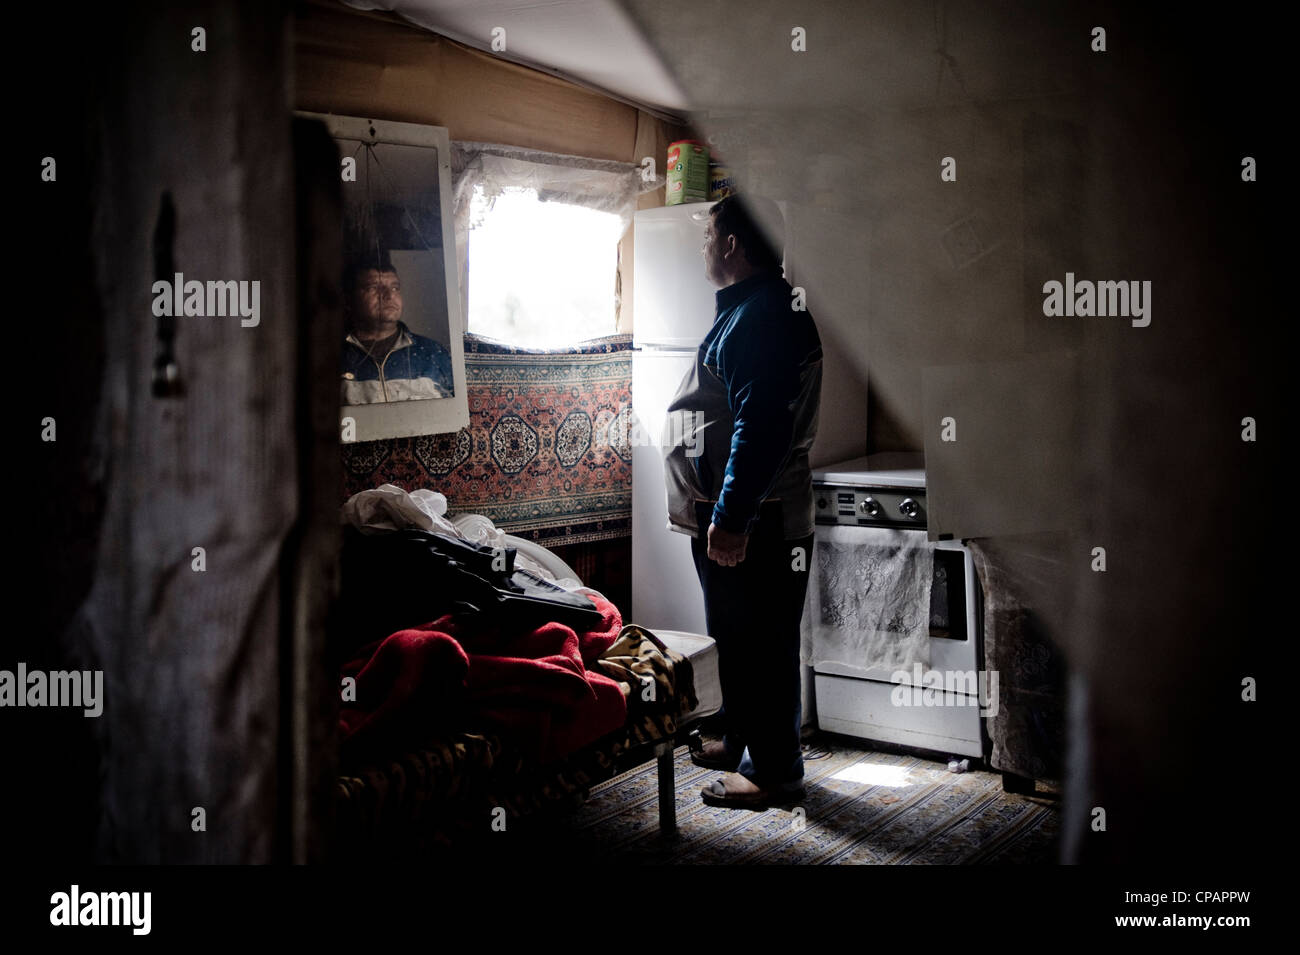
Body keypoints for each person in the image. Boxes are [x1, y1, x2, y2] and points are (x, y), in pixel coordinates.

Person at [663, 194, 823, 809]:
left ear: (731, 244)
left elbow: (762, 431)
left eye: (708, 235)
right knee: (737, 635)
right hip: (746, 517)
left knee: (762, 645)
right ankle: (737, 736)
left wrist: (731, 519)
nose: (702, 245)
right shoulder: (750, 309)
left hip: (761, 521)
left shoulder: (764, 316)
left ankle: (774, 772)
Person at [341, 256, 455, 404]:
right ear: (349, 301)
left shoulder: (433, 354)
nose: (389, 296)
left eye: (394, 288)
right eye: (373, 288)